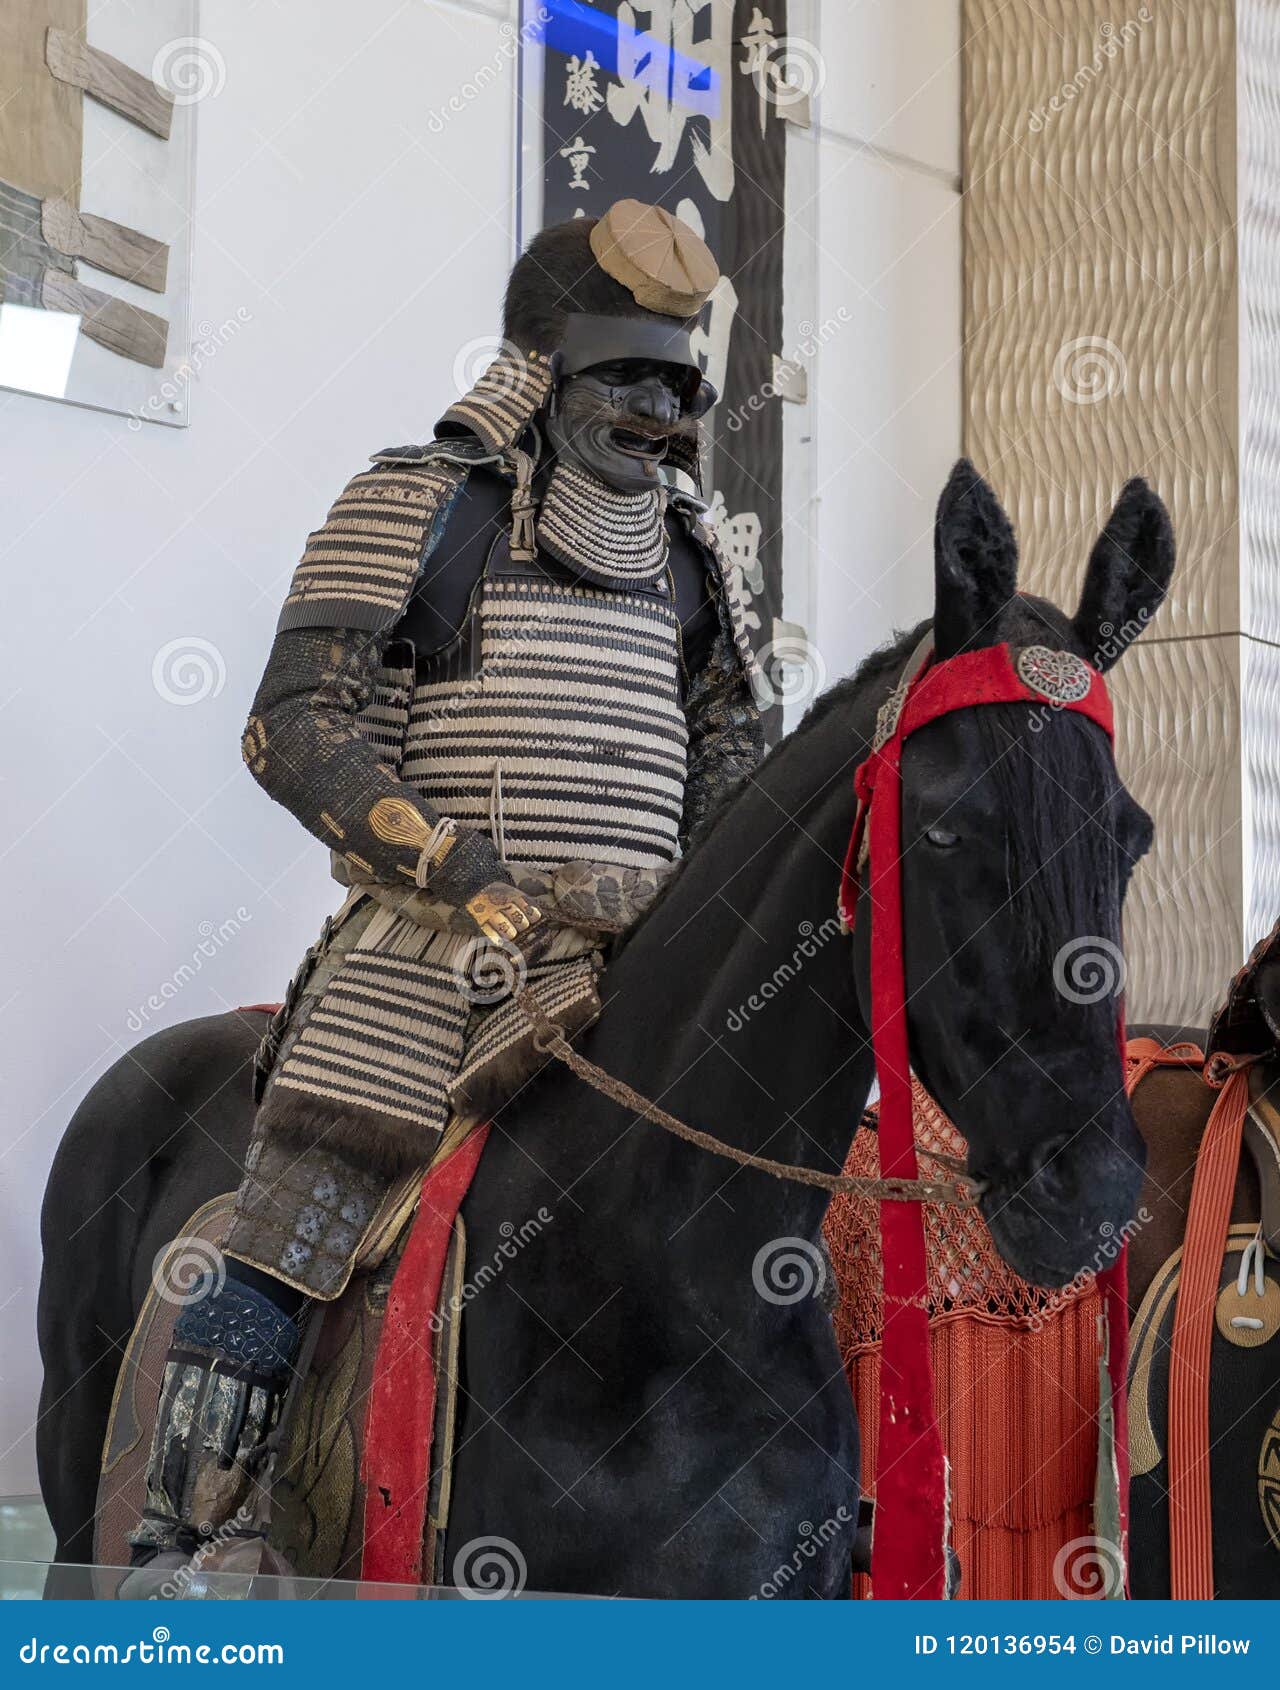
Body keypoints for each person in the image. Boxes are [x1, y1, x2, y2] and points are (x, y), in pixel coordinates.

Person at [126, 199, 765, 1579]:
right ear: (543, 369)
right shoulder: (424, 504)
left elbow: (732, 772)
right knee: (299, 1220)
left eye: (680, 385)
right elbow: (294, 721)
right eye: (629, 380)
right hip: (431, 954)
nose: (660, 414)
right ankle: (203, 1531)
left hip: (628, 973)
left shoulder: (695, 567)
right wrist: (455, 866)